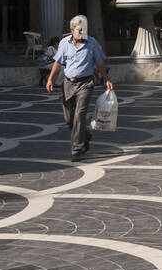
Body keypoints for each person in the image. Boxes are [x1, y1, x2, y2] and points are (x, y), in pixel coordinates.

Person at [45, 16, 113, 161]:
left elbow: (100, 63)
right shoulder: (64, 43)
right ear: (71, 30)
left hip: (86, 84)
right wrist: (50, 79)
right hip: (68, 83)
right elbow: (58, 62)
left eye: (84, 29)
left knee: (79, 115)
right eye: (79, 29)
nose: (82, 32)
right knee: (69, 119)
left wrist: (106, 79)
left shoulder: (92, 43)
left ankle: (77, 149)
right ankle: (85, 135)